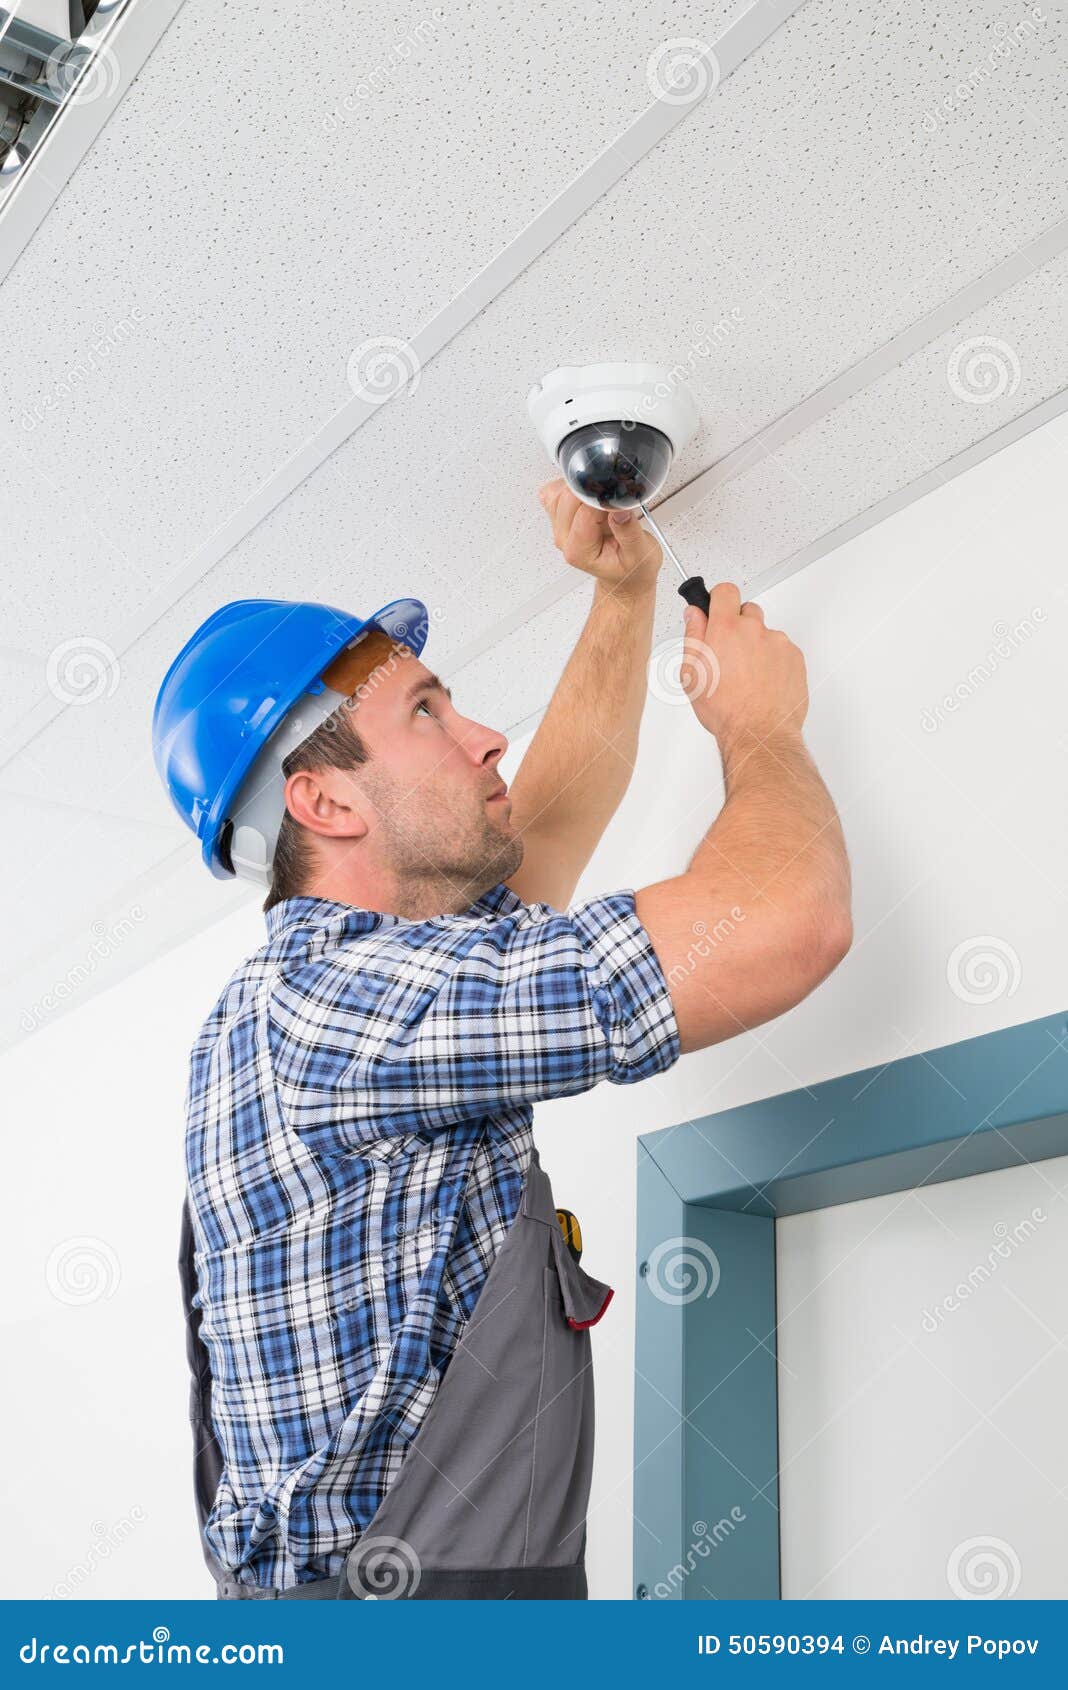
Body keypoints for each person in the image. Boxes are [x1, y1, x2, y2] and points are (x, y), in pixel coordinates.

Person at [160, 481, 852, 1600]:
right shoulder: (344, 1002)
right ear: (324, 804)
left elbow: (540, 827)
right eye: (427, 711)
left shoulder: (321, 995)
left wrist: (622, 594)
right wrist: (762, 728)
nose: (486, 735)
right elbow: (786, 922)